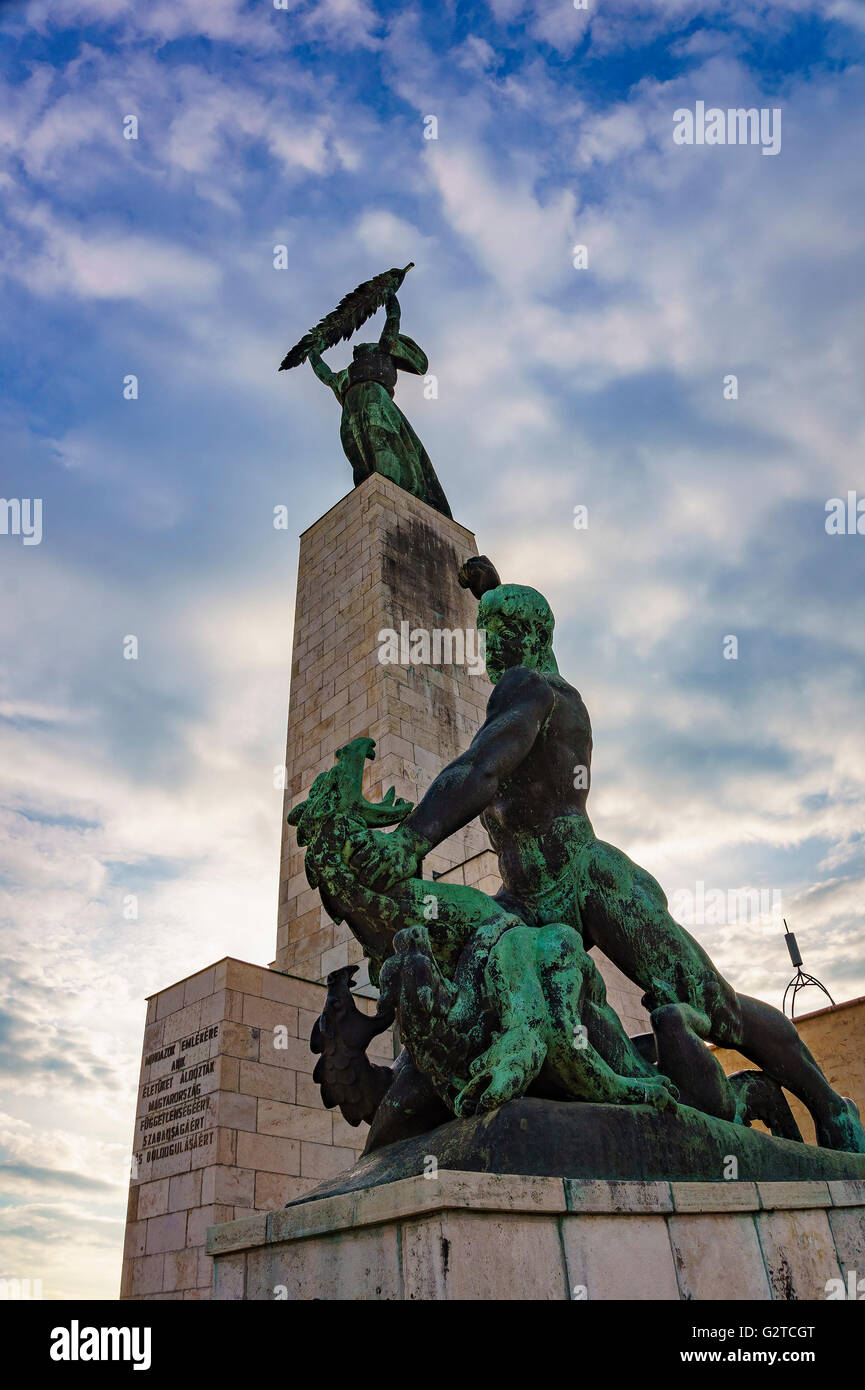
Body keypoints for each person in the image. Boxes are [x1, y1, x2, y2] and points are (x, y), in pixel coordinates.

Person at [347, 569, 865, 1153]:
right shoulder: (532, 687)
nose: (487, 650)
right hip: (525, 900)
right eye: (485, 633)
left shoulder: (533, 688)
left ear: (525, 637)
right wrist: (488, 585)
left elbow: (482, 769)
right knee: (478, 979)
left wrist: (409, 841)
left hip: (585, 879)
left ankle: (831, 1107)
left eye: (496, 634)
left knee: (717, 1008)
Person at [306, 292, 451, 517]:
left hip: (376, 401)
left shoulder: (382, 353)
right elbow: (325, 374)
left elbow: (391, 325)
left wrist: (390, 299)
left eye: (361, 346)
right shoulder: (345, 375)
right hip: (350, 412)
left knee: (379, 440)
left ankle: (389, 483)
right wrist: (312, 352)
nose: (356, 348)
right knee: (357, 452)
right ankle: (372, 485)